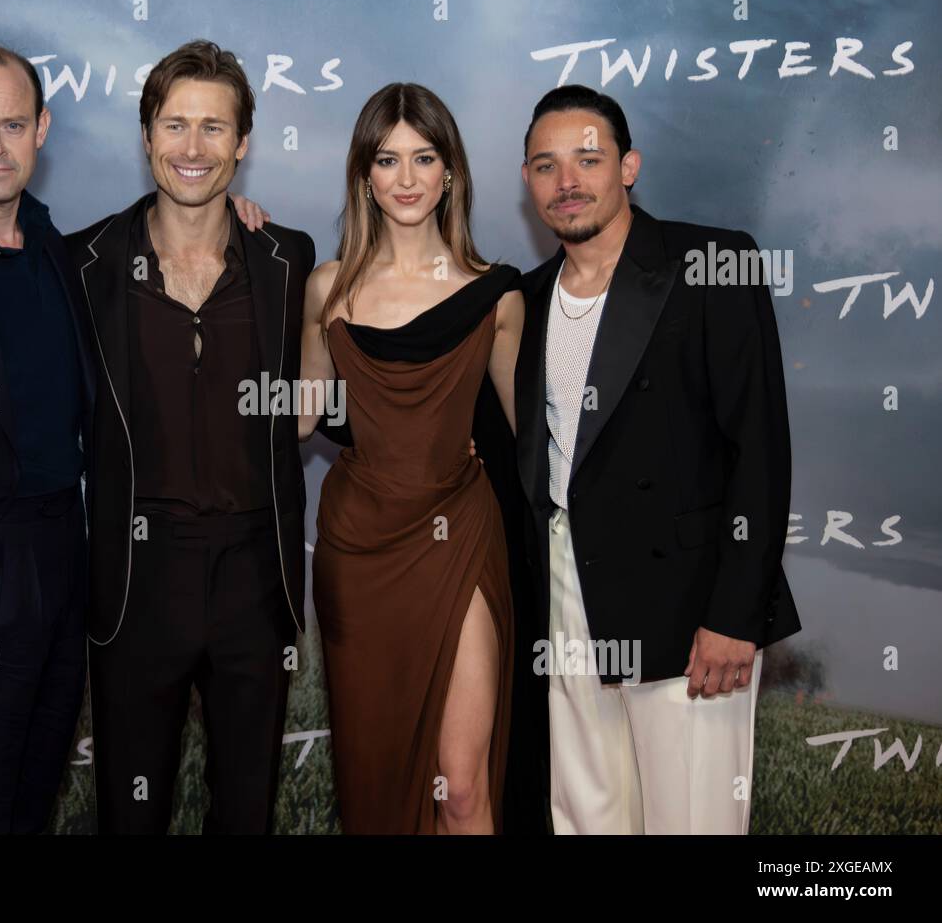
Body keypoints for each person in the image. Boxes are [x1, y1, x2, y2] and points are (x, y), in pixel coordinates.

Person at [0, 41, 266, 834]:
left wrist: (229, 212)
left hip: (71, 565)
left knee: (32, 804)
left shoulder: (66, 255)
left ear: (41, 130)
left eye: (12, 124)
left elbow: (172, 232)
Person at [513, 84, 801, 834]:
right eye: (546, 166)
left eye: (587, 159)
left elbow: (759, 448)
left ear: (628, 166)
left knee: (692, 823)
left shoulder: (711, 261)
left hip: (688, 612)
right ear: (528, 183)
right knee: (586, 818)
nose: (567, 181)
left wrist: (736, 614)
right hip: (571, 605)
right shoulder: (528, 296)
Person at [65, 40, 315, 834]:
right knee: (130, 816)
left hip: (254, 577)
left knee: (246, 813)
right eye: (175, 125)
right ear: (146, 137)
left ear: (243, 143)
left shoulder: (287, 259)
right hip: (139, 575)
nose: (193, 148)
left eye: (215, 128)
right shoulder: (85, 263)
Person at [298, 83, 524, 834]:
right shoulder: (327, 289)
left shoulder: (498, 296)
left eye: (423, 157)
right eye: (387, 158)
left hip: (459, 535)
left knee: (461, 788)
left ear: (450, 171)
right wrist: (227, 229)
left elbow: (532, 439)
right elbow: (300, 415)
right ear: (364, 173)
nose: (405, 177)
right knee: (379, 779)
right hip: (359, 552)